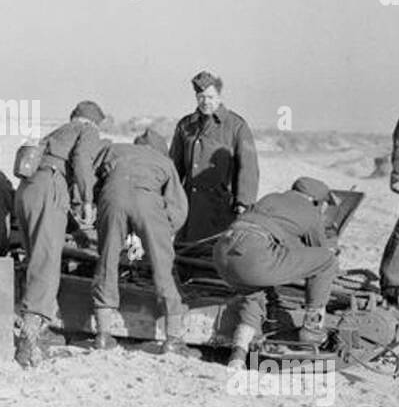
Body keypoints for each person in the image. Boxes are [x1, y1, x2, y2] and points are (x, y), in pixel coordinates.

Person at [13, 101, 105, 367]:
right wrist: (88, 200)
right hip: (49, 188)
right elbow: (82, 161)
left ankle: (38, 336)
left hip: (27, 191)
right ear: (91, 121)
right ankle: (28, 343)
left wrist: (74, 229)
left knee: (36, 260)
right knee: (47, 265)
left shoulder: (55, 135)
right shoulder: (86, 130)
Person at [212, 177, 340, 367]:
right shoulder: (311, 212)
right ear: (315, 201)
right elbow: (320, 252)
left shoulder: (271, 198)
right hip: (255, 254)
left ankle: (238, 354)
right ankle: (312, 328)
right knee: (328, 261)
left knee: (255, 292)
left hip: (223, 252)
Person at [90, 129, 189, 353]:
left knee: (106, 262)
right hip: (147, 202)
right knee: (163, 268)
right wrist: (161, 234)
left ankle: (103, 335)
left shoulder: (113, 149)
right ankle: (173, 338)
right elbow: (178, 209)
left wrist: (100, 215)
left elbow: (93, 182)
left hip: (112, 196)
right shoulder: (164, 161)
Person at [169, 70, 259, 245]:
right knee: (186, 253)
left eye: (210, 97)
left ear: (219, 96)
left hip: (220, 206)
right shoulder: (186, 125)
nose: (206, 102)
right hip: (190, 206)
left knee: (214, 255)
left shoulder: (236, 126)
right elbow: (174, 167)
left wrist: (243, 203)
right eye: (201, 97)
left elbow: (248, 168)